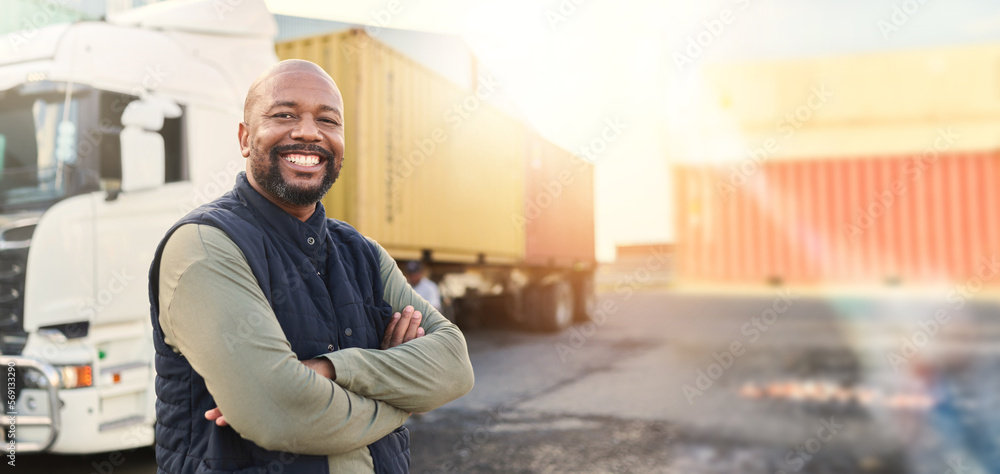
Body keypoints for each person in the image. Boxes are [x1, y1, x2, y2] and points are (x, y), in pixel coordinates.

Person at [147, 59, 474, 474]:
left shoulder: (363, 253)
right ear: (245, 138)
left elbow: (454, 366)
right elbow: (277, 410)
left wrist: (330, 370)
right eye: (284, 114)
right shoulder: (205, 245)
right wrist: (403, 398)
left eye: (328, 120)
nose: (307, 131)